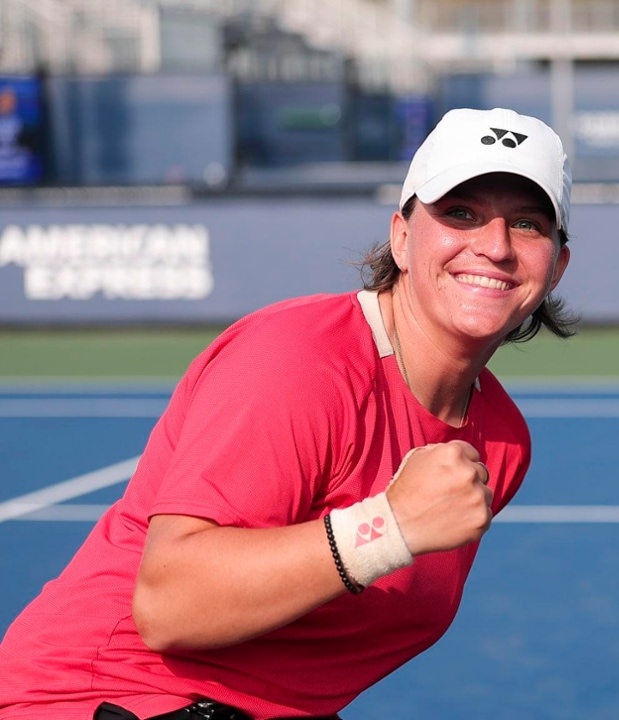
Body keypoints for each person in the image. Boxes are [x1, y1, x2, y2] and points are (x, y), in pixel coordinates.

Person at [0, 106, 574, 720]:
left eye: (527, 224)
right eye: (460, 213)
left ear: (557, 266)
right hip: (100, 699)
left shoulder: (501, 443)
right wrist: (388, 526)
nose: (495, 246)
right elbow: (170, 607)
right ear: (403, 239)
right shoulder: (298, 358)